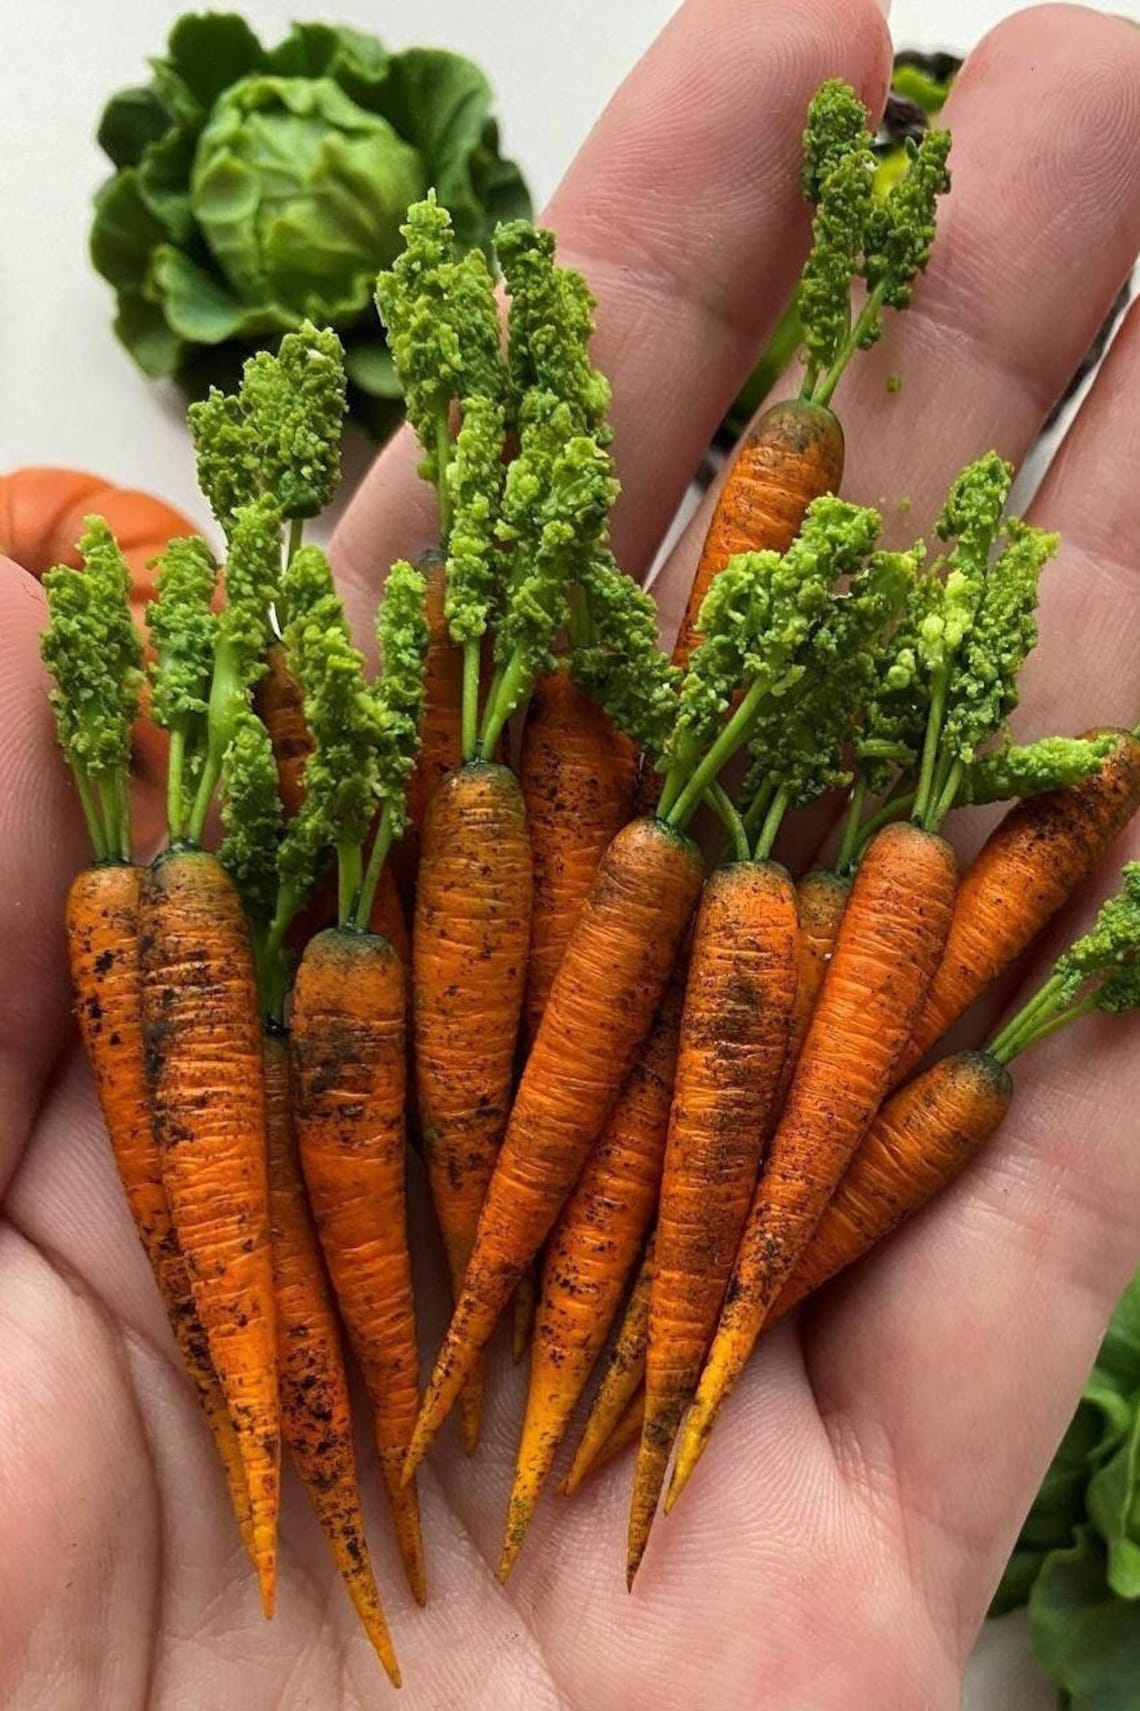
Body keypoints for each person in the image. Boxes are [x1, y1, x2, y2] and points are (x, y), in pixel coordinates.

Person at [4, 0, 1140, 1704]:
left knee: (700, 1127)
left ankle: (530, 1355)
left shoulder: (725, 858)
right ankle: (432, 1379)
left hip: (741, 918)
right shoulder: (259, 890)